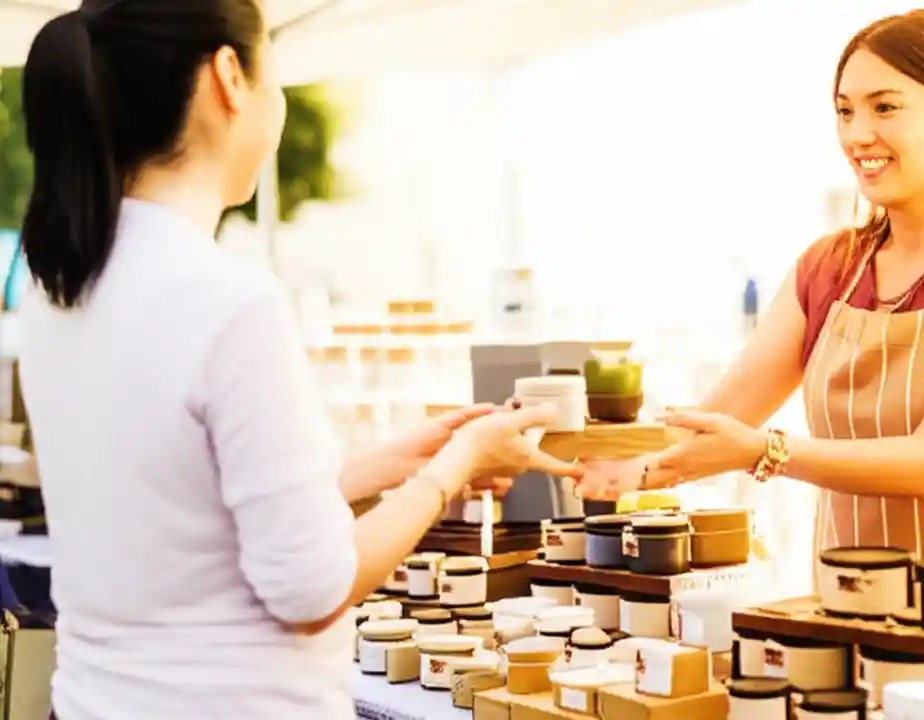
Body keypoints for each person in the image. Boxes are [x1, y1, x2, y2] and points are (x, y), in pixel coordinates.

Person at [16, 2, 578, 717]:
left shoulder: (56, 287)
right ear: (228, 77)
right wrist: (452, 469)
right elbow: (310, 590)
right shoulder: (226, 302)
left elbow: (184, 513)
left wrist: (389, 463)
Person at [579, 9, 924, 705]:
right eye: (844, 110)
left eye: (885, 107)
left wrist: (764, 453)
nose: (857, 135)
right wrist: (604, 464)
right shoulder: (829, 266)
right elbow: (720, 417)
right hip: (852, 599)